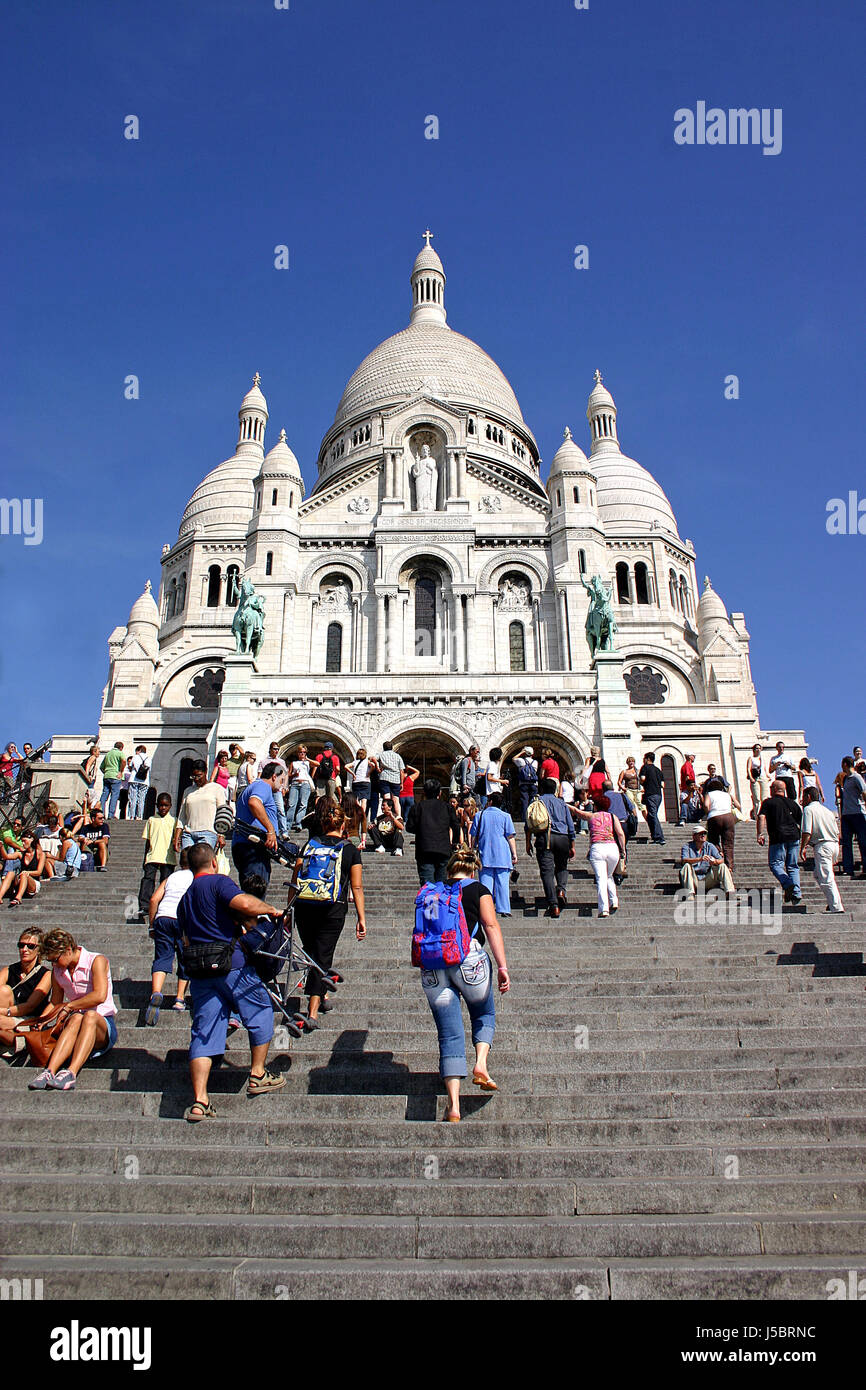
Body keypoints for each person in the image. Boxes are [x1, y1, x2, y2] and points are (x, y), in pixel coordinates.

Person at [177, 845, 286, 1119]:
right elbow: (246, 904)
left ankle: (200, 1100)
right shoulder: (219, 883)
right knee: (260, 1008)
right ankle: (258, 1073)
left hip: (199, 971)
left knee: (203, 1031)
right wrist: (270, 909)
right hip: (229, 963)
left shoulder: (185, 898)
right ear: (214, 862)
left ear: (190, 867)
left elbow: (185, 939)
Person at [417, 847, 510, 1122]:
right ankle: (480, 1063)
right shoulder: (478, 889)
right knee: (483, 1013)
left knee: (449, 1035)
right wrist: (502, 967)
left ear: (449, 870)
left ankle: (454, 1105)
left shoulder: (431, 891)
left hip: (433, 964)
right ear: (472, 870)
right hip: (468, 959)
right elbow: (491, 926)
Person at [288, 802, 365, 1026]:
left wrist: (288, 910)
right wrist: (361, 918)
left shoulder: (309, 845)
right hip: (332, 908)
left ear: (323, 824)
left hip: (304, 905)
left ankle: (323, 995)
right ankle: (312, 1012)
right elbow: (357, 887)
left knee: (313, 953)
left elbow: (295, 881)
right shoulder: (349, 849)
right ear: (344, 826)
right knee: (322, 957)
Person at [25, 929, 118, 1091]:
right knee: (76, 1018)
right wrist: (42, 1021)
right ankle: (50, 1071)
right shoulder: (58, 971)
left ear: (68, 950)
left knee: (89, 1015)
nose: (54, 964)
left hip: (102, 1025)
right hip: (76, 1024)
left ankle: (71, 1072)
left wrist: (70, 1006)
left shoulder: (96, 961)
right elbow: (55, 1002)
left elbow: (99, 996)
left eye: (55, 960)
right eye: (51, 961)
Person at [144, 850, 193, 1023]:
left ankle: (156, 992)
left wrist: (152, 924)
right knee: (185, 960)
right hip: (182, 921)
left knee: (162, 957)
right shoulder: (194, 878)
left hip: (163, 918)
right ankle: (179, 999)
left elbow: (153, 899)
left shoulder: (171, 877)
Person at [525, 776, 575, 917]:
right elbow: (570, 826)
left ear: (541, 789)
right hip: (562, 838)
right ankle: (561, 890)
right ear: (555, 790)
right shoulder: (562, 803)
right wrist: (572, 845)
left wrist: (528, 843)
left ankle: (553, 905)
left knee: (547, 872)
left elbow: (528, 824)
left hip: (544, 838)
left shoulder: (536, 802)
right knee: (562, 867)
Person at [232, 760, 285, 889]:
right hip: (254, 847)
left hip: (243, 844)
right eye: (282, 780)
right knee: (256, 892)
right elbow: (254, 802)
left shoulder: (252, 787)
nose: (282, 785)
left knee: (249, 890)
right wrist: (270, 829)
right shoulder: (263, 786)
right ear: (274, 776)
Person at [572, 794, 627, 917]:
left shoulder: (592, 816)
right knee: (609, 875)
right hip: (612, 848)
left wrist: (565, 805)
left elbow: (577, 811)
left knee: (601, 878)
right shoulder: (613, 817)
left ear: (596, 806)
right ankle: (614, 900)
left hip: (598, 848)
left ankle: (603, 908)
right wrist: (623, 850)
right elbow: (620, 834)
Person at [0, 930, 52, 1060]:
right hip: (7, 1018)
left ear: (39, 950)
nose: (24, 949)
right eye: (21, 945)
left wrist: (3, 1011)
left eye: (30, 946)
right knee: (4, 991)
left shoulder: (46, 975)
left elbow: (30, 1006)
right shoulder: (8, 970)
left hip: (29, 1020)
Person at [470, 792, 517, 917]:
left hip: (485, 854)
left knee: (485, 884)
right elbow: (510, 837)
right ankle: (504, 908)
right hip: (502, 854)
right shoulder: (506, 816)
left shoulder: (479, 815)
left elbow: (474, 836)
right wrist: (514, 854)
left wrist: (471, 849)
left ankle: (486, 909)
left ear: (489, 801)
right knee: (503, 884)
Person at [407, 778, 460, 885]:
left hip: (424, 849)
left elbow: (409, 827)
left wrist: (422, 828)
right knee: (442, 883)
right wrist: (454, 842)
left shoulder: (417, 808)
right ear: (439, 793)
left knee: (427, 885)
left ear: (424, 793)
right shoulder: (447, 807)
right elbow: (456, 826)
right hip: (443, 849)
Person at [757, 781, 803, 904]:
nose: (770, 789)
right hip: (794, 836)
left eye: (771, 787)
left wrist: (760, 834)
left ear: (775, 789)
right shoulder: (793, 803)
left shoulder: (768, 802)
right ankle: (796, 893)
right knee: (793, 866)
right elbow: (801, 821)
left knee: (775, 864)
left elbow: (761, 817)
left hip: (778, 837)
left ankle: (788, 884)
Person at [799, 787, 844, 913]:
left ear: (808, 797)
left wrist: (803, 847)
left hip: (822, 845)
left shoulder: (808, 810)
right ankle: (832, 902)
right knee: (818, 874)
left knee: (826, 877)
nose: (802, 800)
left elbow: (807, 831)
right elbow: (837, 831)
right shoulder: (827, 810)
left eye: (804, 797)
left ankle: (836, 907)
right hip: (833, 844)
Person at [136, 793, 178, 924]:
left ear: (170, 806)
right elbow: (147, 840)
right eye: (160, 805)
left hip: (168, 857)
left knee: (165, 883)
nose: (163, 808)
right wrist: (145, 857)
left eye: (166, 805)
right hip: (153, 855)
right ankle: (144, 905)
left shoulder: (174, 821)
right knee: (148, 880)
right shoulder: (151, 820)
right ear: (156, 806)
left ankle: (163, 904)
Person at [173, 760, 226, 854]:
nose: (196, 779)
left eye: (199, 775)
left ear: (205, 772)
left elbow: (222, 813)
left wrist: (221, 835)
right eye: (193, 776)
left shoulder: (216, 789)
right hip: (188, 834)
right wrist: (176, 837)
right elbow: (182, 815)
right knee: (187, 864)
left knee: (202, 864)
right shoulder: (188, 791)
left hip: (208, 833)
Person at [678, 826, 735, 896]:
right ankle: (690, 893)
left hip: (708, 879)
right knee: (686, 866)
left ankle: (730, 892)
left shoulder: (710, 846)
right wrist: (700, 859)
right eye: (700, 834)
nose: (703, 835)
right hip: (693, 880)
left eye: (704, 834)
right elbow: (684, 860)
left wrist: (715, 862)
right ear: (694, 836)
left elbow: (721, 860)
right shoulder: (687, 847)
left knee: (722, 866)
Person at [702, 776, 741, 874]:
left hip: (714, 817)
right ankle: (729, 866)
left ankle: (718, 858)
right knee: (728, 843)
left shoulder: (709, 794)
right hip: (728, 817)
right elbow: (737, 806)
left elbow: (706, 805)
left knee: (714, 840)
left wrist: (708, 813)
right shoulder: (727, 795)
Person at [837, 756, 866, 878]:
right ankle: (848, 868)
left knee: (863, 842)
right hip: (846, 814)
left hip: (858, 813)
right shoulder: (846, 779)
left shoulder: (857, 777)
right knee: (847, 843)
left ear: (844, 764)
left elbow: (864, 792)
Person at [7, 830, 49, 906]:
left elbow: (39, 872)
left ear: (31, 839)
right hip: (21, 879)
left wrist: (27, 873)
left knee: (24, 874)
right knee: (10, 873)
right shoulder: (21, 853)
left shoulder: (40, 854)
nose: (23, 844)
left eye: (24, 841)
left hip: (33, 882)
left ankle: (18, 897)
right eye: (22, 841)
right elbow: (6, 857)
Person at [257, 742, 290, 837]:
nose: (276, 751)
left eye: (277, 749)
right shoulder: (263, 762)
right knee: (267, 810)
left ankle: (284, 832)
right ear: (270, 749)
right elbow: (259, 776)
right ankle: (271, 830)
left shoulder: (281, 762)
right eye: (275, 749)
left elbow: (285, 775)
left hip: (277, 790)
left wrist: (284, 786)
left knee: (280, 810)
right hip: (266, 789)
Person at [71, 805, 111, 870]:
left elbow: (105, 840)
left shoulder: (104, 826)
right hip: (87, 850)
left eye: (103, 818)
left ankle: (102, 866)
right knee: (80, 843)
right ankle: (81, 864)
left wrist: (93, 841)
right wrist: (84, 839)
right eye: (100, 818)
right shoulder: (86, 827)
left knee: (102, 843)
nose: (102, 820)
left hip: (98, 851)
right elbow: (80, 837)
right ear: (93, 819)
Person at [285, 744, 315, 830]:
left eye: (304, 752)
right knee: (291, 804)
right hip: (295, 783)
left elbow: (317, 764)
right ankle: (288, 824)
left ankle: (299, 823)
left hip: (305, 783)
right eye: (300, 752)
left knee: (303, 804)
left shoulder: (307, 763)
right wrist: (294, 774)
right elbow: (288, 775)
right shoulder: (293, 763)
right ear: (297, 753)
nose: (302, 754)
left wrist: (307, 759)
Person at [638, 752, 665, 845]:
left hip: (650, 794)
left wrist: (642, 783)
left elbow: (642, 779)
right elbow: (662, 785)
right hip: (658, 795)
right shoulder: (658, 770)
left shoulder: (645, 767)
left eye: (644, 758)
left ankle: (659, 837)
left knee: (652, 815)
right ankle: (655, 836)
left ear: (647, 759)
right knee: (650, 816)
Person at [376, 742, 405, 816]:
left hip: (384, 777)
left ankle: (387, 815)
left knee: (386, 798)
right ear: (392, 747)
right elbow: (402, 771)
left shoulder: (382, 754)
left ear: (383, 748)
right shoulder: (397, 756)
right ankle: (398, 816)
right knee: (396, 799)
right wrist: (401, 783)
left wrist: (377, 767)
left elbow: (371, 758)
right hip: (396, 779)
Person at [99, 741, 125, 819]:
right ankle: (111, 815)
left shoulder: (108, 754)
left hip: (107, 776)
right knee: (114, 796)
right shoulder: (120, 753)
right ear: (121, 748)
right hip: (116, 777)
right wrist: (120, 771)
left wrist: (106, 772)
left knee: (104, 796)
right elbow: (124, 761)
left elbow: (101, 767)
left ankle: (101, 814)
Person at [513, 746, 539, 824]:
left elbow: (513, 758)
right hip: (533, 784)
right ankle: (533, 817)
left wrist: (521, 752)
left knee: (524, 801)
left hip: (523, 783)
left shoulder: (521, 761)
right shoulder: (535, 762)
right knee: (533, 801)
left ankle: (525, 818)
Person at [127, 745, 151, 821]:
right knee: (141, 799)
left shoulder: (135, 757)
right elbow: (149, 769)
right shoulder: (149, 758)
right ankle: (139, 816)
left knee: (133, 798)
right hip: (144, 781)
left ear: (139, 750)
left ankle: (131, 816)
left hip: (134, 779)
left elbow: (130, 767)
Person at [745, 744, 768, 819]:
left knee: (764, 797)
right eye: (756, 748)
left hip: (763, 777)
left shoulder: (762, 758)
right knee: (756, 797)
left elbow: (764, 769)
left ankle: (765, 814)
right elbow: (748, 768)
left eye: (759, 748)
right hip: (755, 778)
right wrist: (751, 778)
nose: (758, 750)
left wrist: (767, 775)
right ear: (753, 750)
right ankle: (758, 815)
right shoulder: (751, 758)